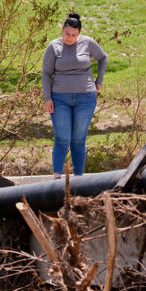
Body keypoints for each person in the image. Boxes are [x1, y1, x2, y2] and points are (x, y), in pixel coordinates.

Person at [41, 12, 108, 179]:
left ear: (79, 33)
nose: (70, 38)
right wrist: (47, 97)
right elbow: (46, 73)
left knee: (78, 139)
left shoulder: (88, 43)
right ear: (62, 29)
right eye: (67, 33)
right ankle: (57, 176)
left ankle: (79, 179)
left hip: (86, 98)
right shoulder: (53, 46)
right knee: (62, 138)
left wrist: (99, 80)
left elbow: (103, 58)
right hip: (59, 99)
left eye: (74, 35)